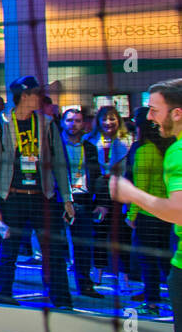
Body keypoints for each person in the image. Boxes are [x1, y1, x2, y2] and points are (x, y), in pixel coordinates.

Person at [108, 80, 182, 332]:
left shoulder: (177, 152)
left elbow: (178, 211)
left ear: (177, 113)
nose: (149, 116)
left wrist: (131, 195)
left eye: (155, 109)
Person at [0, 76, 74, 308]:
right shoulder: (0, 125)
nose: (39, 98)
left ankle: (61, 298)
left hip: (43, 197)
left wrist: (67, 199)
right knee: (9, 249)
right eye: (35, 94)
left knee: (53, 250)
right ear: (24, 96)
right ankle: (3, 294)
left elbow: (59, 163)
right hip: (12, 197)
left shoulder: (47, 124)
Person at [55, 107, 108, 304]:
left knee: (84, 247)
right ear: (63, 122)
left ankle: (85, 285)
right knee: (56, 246)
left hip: (83, 200)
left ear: (83, 124)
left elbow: (98, 176)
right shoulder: (54, 145)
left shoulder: (90, 147)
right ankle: (58, 288)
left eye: (77, 120)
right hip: (58, 201)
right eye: (69, 120)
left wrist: (102, 202)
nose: (73, 124)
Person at [127, 106, 174, 310]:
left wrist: (131, 215)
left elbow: (140, 188)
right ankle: (174, 298)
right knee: (165, 259)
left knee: (148, 260)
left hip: (147, 215)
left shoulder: (145, 151)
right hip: (166, 213)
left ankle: (152, 302)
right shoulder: (169, 148)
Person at [89, 105, 131, 290]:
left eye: (112, 118)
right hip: (98, 196)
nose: (108, 122)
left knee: (122, 237)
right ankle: (97, 274)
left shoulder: (127, 141)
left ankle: (124, 277)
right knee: (99, 236)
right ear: (98, 121)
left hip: (121, 196)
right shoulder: (89, 140)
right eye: (104, 119)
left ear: (118, 120)